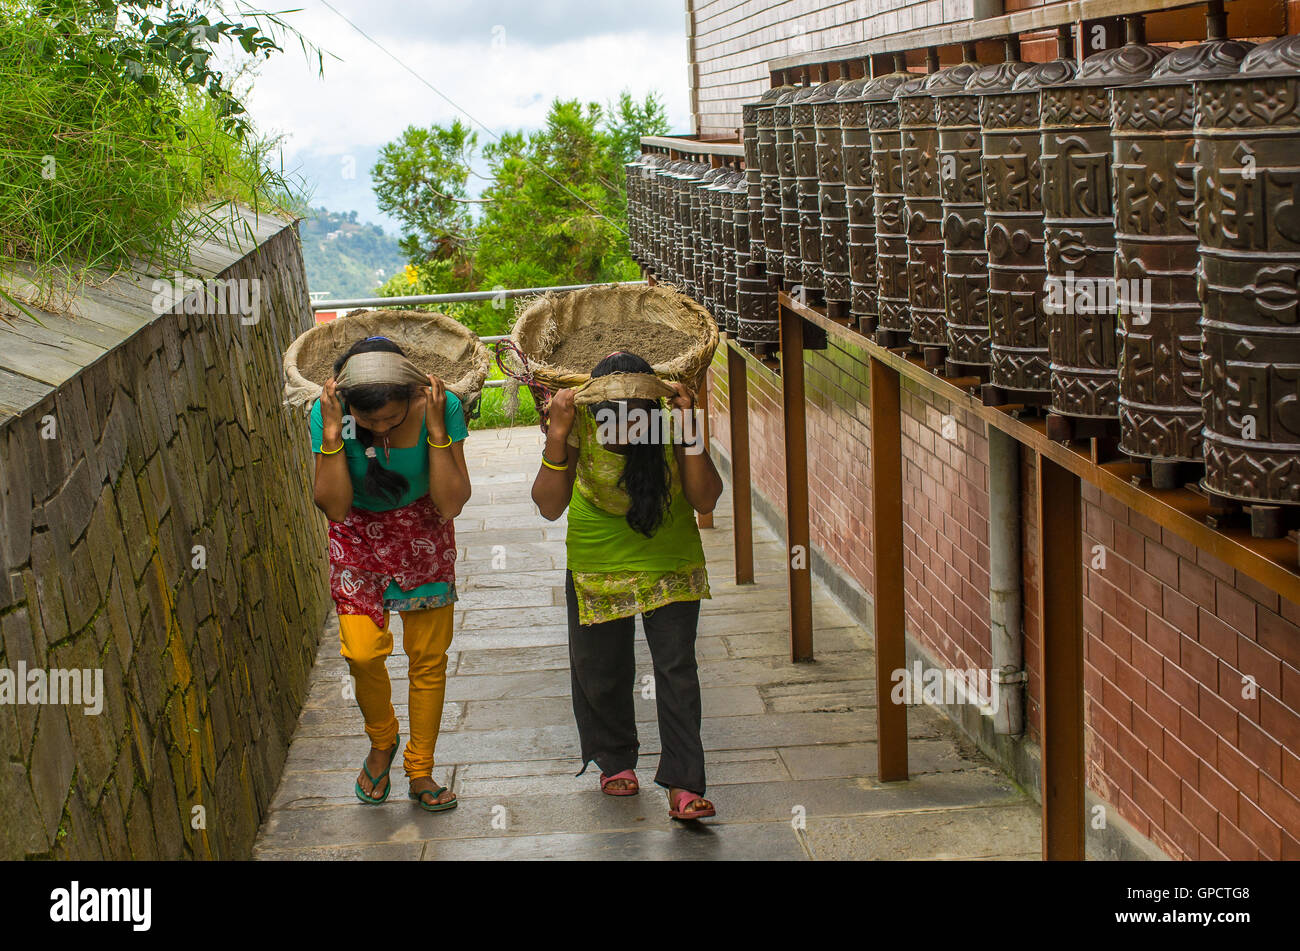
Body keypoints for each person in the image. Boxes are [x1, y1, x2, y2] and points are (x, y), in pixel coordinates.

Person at [531, 350, 724, 820]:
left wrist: (692, 434)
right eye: (610, 420)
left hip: (669, 553)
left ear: (652, 412)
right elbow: (549, 505)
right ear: (593, 412)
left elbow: (705, 498)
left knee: (676, 668)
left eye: (635, 420)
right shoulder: (578, 426)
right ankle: (615, 760)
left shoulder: (673, 426)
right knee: (600, 666)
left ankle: (684, 782)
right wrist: (557, 434)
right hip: (598, 553)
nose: (622, 431)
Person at [309, 335, 472, 812]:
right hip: (357, 535)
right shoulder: (329, 413)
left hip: (425, 531)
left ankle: (420, 768)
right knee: (361, 653)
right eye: (369, 419)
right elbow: (335, 507)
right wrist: (336, 435)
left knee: (427, 656)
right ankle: (383, 740)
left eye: (391, 417)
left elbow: (452, 502)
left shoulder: (443, 406)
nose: (380, 428)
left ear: (413, 395)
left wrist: (437, 433)